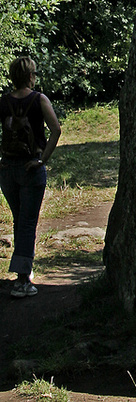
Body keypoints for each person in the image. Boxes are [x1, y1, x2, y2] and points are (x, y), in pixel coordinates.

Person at [0, 55, 61, 297]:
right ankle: (22, 280)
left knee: (20, 220)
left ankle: (23, 268)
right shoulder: (39, 100)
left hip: (7, 170)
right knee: (26, 222)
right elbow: (56, 129)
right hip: (30, 169)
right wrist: (42, 159)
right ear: (30, 76)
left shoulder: (3, 102)